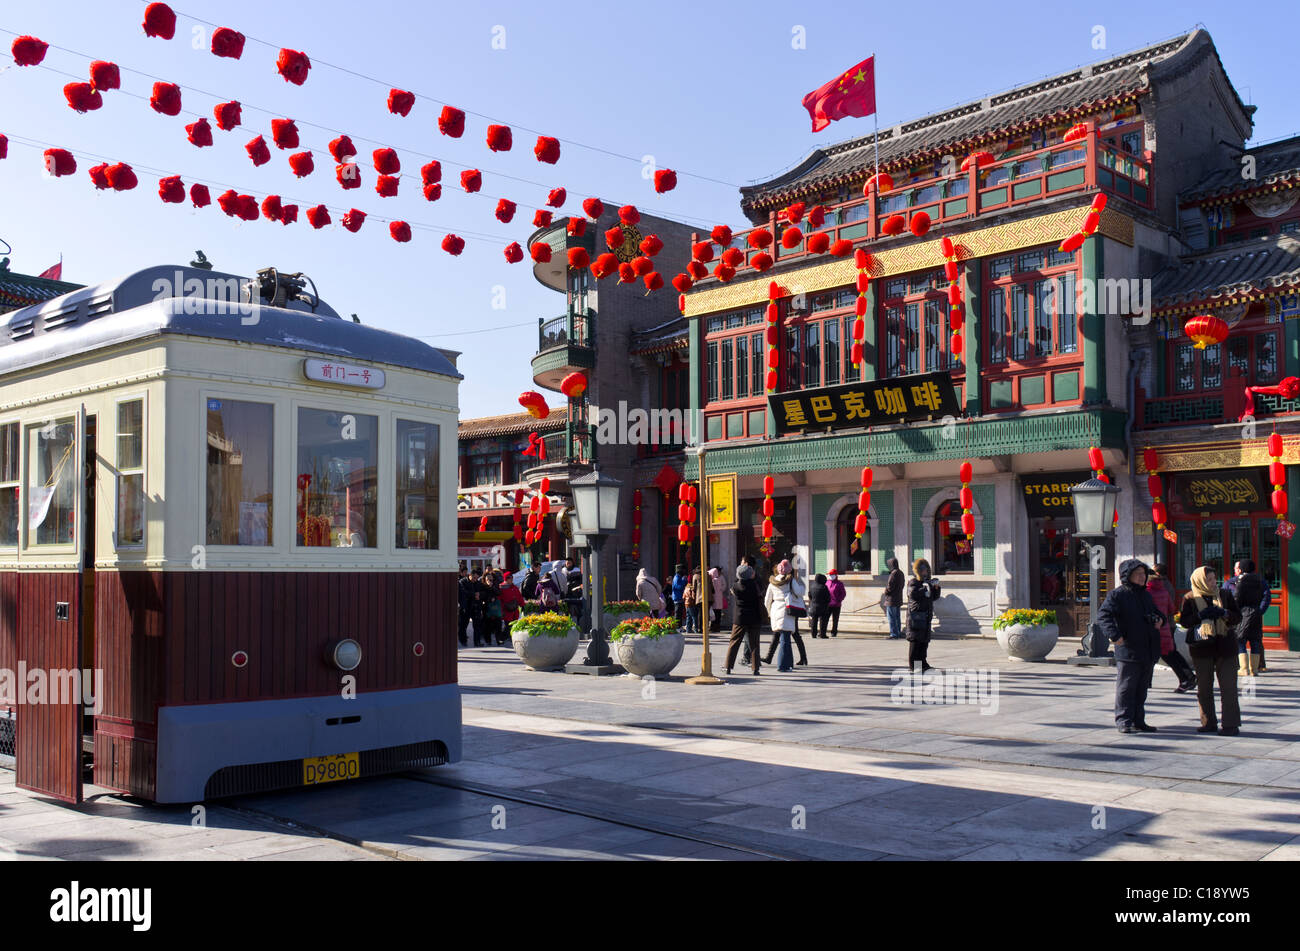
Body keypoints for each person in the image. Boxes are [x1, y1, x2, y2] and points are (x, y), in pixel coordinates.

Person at [1096, 558, 1162, 734]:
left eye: (1144, 574)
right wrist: (1115, 635)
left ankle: (1139, 720)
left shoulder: (1145, 594)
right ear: (1128, 576)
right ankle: (1124, 720)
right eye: (1138, 574)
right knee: (1127, 687)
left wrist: (1160, 619)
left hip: (1148, 648)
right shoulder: (1117, 595)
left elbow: (1156, 612)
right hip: (1129, 649)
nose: (1142, 577)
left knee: (1142, 688)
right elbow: (1103, 615)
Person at [1177, 565, 1241, 736]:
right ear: (1199, 581)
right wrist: (1200, 615)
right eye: (1209, 580)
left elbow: (1238, 616)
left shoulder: (1225, 594)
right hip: (1201, 648)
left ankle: (1230, 724)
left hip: (1226, 647)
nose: (1213, 583)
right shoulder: (1190, 598)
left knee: (1229, 688)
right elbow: (1185, 621)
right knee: (1204, 688)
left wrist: (1225, 613)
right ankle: (1208, 722)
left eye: (1214, 578)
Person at [1148, 563, 1196, 693]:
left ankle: (1187, 678)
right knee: (1168, 653)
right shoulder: (1165, 587)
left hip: (1159, 626)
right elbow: (1172, 608)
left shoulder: (1149, 591)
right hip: (1167, 625)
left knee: (1167, 654)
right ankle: (1188, 678)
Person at [763, 559, 808, 669]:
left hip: (775, 609)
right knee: (785, 639)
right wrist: (802, 587)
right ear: (788, 570)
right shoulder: (790, 580)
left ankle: (784, 663)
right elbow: (799, 592)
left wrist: (769, 612)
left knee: (780, 636)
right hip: (787, 609)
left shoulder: (772, 582)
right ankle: (783, 665)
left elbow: (767, 600)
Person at [1230, 560, 1267, 677]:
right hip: (1256, 613)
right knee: (1255, 641)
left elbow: (1237, 598)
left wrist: (1234, 611)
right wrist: (1260, 610)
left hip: (1244, 613)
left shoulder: (1241, 581)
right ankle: (1254, 669)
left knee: (1241, 640)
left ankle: (1244, 668)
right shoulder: (1260, 581)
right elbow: (1266, 596)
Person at [904, 559, 941, 672]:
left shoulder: (927, 582)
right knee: (915, 642)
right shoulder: (913, 582)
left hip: (926, 616)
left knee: (924, 642)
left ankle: (923, 663)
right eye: (923, 570)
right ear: (919, 571)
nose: (925, 572)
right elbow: (913, 594)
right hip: (916, 616)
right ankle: (914, 666)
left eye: (927, 569)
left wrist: (936, 587)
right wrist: (926, 586)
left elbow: (933, 597)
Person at [726, 563, 763, 675]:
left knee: (734, 642)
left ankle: (728, 666)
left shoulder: (735, 586)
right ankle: (755, 668)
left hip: (740, 618)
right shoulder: (755, 586)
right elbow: (760, 594)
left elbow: (732, 591)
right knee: (754, 644)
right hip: (754, 617)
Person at [498, 573, 526, 643]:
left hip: (514, 609)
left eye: (512, 578)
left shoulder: (514, 587)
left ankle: (510, 637)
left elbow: (519, 597)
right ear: (506, 579)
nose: (511, 580)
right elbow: (499, 600)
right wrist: (501, 610)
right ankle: (501, 638)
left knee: (513, 624)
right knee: (507, 625)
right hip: (506, 610)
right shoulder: (501, 587)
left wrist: (522, 605)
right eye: (510, 578)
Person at [883, 557, 905, 639]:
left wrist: (886, 592)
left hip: (891, 600)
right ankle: (898, 632)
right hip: (898, 598)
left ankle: (894, 634)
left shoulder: (893, 573)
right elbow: (902, 585)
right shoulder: (901, 573)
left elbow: (890, 587)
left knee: (892, 617)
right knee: (897, 617)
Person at [807, 572, 831, 639]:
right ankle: (822, 634)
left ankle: (813, 634)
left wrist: (813, 601)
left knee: (814, 621)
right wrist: (827, 602)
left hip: (814, 606)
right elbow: (828, 597)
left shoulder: (812, 586)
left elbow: (809, 595)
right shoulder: (823, 587)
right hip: (822, 606)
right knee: (823, 621)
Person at [456, 568, 474, 647]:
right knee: (461, 625)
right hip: (460, 607)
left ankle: (463, 639)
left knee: (463, 624)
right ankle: (462, 639)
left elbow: (462, 595)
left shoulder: (459, 583)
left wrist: (463, 606)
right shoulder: (461, 581)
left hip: (463, 607)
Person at [826, 569, 846, 637]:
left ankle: (834, 632)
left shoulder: (839, 583)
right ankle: (823, 631)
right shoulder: (827, 582)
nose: (831, 576)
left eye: (832, 575)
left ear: (836, 575)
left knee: (835, 620)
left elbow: (843, 593)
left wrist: (838, 600)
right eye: (830, 575)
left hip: (836, 605)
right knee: (825, 619)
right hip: (828, 604)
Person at [709, 567, 728, 633]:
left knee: (717, 613)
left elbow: (724, 585)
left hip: (718, 598)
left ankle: (716, 627)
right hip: (714, 598)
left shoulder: (721, 577)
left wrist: (720, 589)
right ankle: (713, 626)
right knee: (714, 614)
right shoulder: (711, 578)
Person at [670, 564, 688, 630]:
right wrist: (684, 580)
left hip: (680, 597)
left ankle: (679, 626)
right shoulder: (677, 577)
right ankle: (677, 627)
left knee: (679, 613)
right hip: (677, 598)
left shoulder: (679, 577)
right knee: (677, 613)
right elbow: (679, 587)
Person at [684, 568, 700, 634]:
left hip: (686, 603)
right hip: (691, 603)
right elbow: (693, 596)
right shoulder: (691, 588)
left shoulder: (686, 587)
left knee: (688, 617)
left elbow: (683, 596)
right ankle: (696, 629)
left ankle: (688, 629)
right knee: (694, 616)